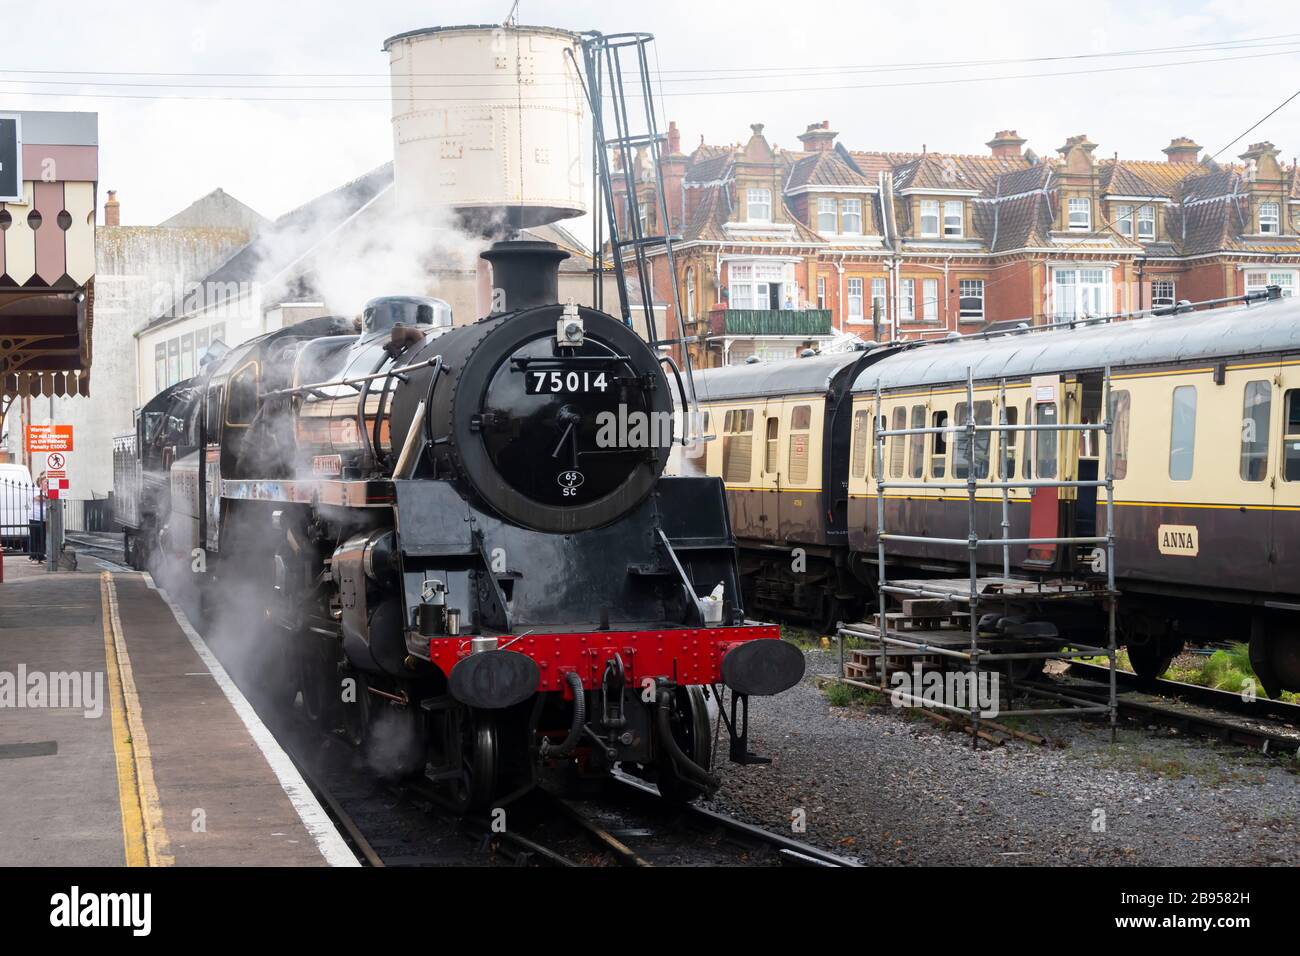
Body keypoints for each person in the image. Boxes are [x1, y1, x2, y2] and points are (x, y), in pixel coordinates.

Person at [28, 474, 47, 563]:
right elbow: (39, 498)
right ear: (40, 482)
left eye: (47, 482)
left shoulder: (47, 491)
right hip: (34, 517)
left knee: (42, 537)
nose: (47, 483)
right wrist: (47, 496)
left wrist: (47, 495)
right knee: (34, 537)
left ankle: (41, 555)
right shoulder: (35, 489)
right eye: (45, 482)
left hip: (44, 519)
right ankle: (33, 556)